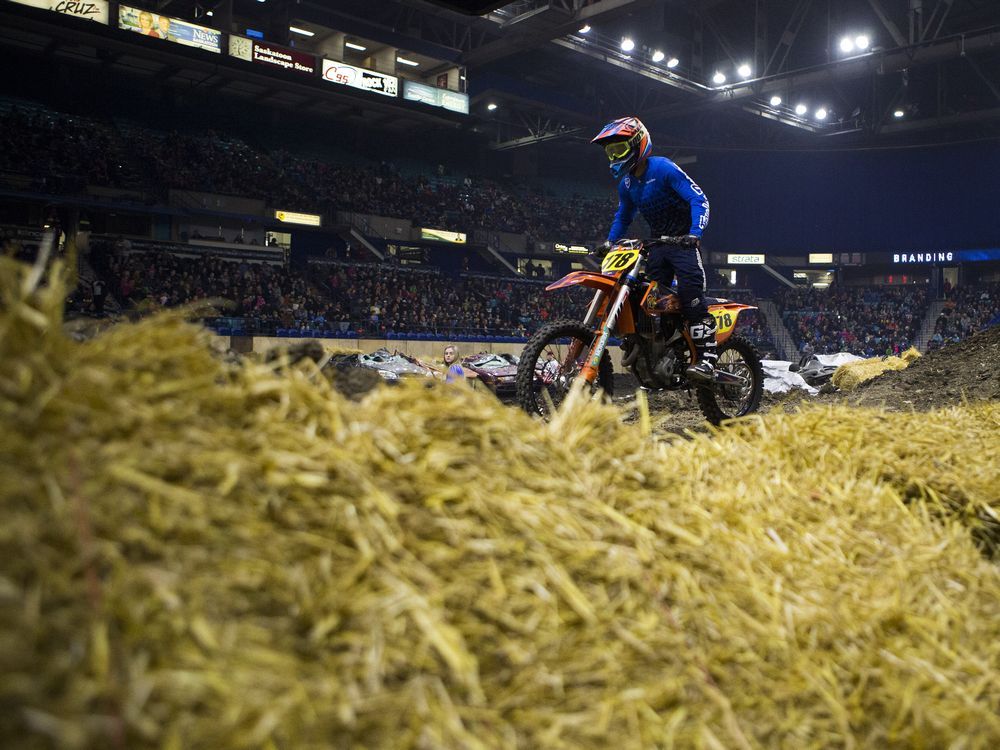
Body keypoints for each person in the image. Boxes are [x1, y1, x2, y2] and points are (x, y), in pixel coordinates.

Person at [592, 116, 716, 382]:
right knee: (650, 300)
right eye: (610, 152)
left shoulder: (663, 169)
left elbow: (699, 199)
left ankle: (707, 359)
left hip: (683, 245)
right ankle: (655, 352)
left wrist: (694, 234)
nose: (614, 156)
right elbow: (623, 216)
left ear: (638, 144)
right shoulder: (626, 184)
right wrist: (610, 242)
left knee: (690, 296)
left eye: (619, 150)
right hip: (657, 246)